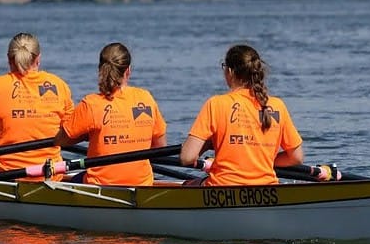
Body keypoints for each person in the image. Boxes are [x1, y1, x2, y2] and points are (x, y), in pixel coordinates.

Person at [180, 44, 304, 186]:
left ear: (230, 71)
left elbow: (187, 158)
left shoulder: (216, 104)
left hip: (223, 188)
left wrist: (207, 145)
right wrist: (260, 160)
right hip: (267, 187)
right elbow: (296, 158)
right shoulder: (277, 106)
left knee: (187, 185)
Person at [0, 32, 73, 181]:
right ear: (38, 59)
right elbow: (70, 132)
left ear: (9, 59)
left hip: (4, 173)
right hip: (49, 173)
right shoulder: (59, 85)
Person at [54, 42, 167, 186]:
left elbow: (60, 141)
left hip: (100, 185)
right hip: (141, 183)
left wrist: (88, 135)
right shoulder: (146, 98)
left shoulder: (92, 103)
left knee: (62, 178)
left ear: (100, 69)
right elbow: (160, 148)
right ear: (128, 71)